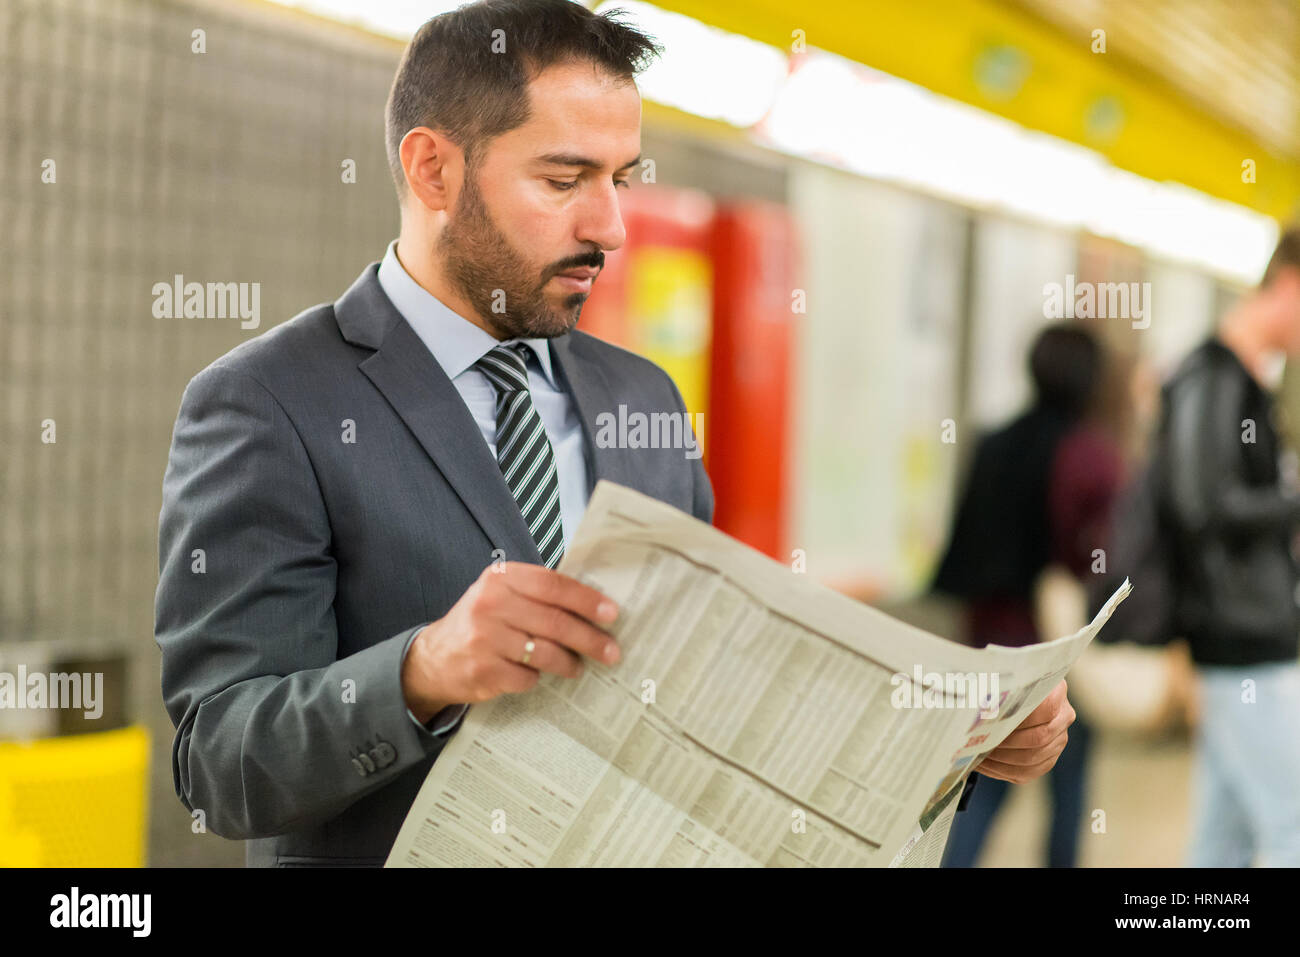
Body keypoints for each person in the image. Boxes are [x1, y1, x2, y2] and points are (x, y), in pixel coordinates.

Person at [154, 0, 1078, 867]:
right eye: (565, 179)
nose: (612, 226)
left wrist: (940, 744)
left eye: (621, 179)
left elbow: (715, 689)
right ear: (433, 168)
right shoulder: (267, 403)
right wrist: (422, 669)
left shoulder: (643, 398)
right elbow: (219, 764)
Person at [933, 322, 1124, 867]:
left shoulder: (994, 444)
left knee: (980, 789)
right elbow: (1097, 563)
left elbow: (963, 549)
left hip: (990, 647)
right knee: (1068, 794)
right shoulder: (1091, 457)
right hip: (1060, 659)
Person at [1160, 227, 1300, 867]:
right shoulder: (1211, 380)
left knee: (1225, 839)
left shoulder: (1245, 382)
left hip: (1244, 638)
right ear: (1289, 282)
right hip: (1241, 639)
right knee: (1290, 824)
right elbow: (1202, 504)